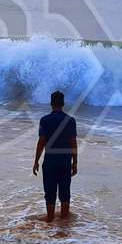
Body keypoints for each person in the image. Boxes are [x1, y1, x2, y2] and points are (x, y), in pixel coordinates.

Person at [32, 90, 79, 222]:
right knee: (65, 192)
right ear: (63, 103)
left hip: (50, 162)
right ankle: (64, 222)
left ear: (51, 103)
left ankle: (50, 219)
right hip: (65, 161)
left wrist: (36, 161)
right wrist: (75, 163)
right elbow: (73, 143)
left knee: (50, 192)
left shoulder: (45, 120)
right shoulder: (70, 121)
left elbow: (41, 142)